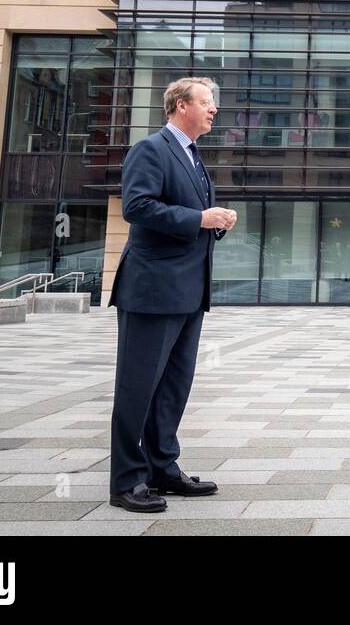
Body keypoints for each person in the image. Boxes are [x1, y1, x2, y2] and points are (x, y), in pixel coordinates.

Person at [108, 77, 237, 513]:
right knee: (137, 388)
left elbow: (186, 218)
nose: (213, 109)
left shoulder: (194, 156)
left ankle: (163, 467)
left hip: (188, 291)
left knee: (173, 388)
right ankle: (127, 481)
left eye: (213, 103)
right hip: (151, 290)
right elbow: (137, 207)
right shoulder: (151, 149)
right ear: (181, 105)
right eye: (206, 102)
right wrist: (199, 218)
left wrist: (213, 223)